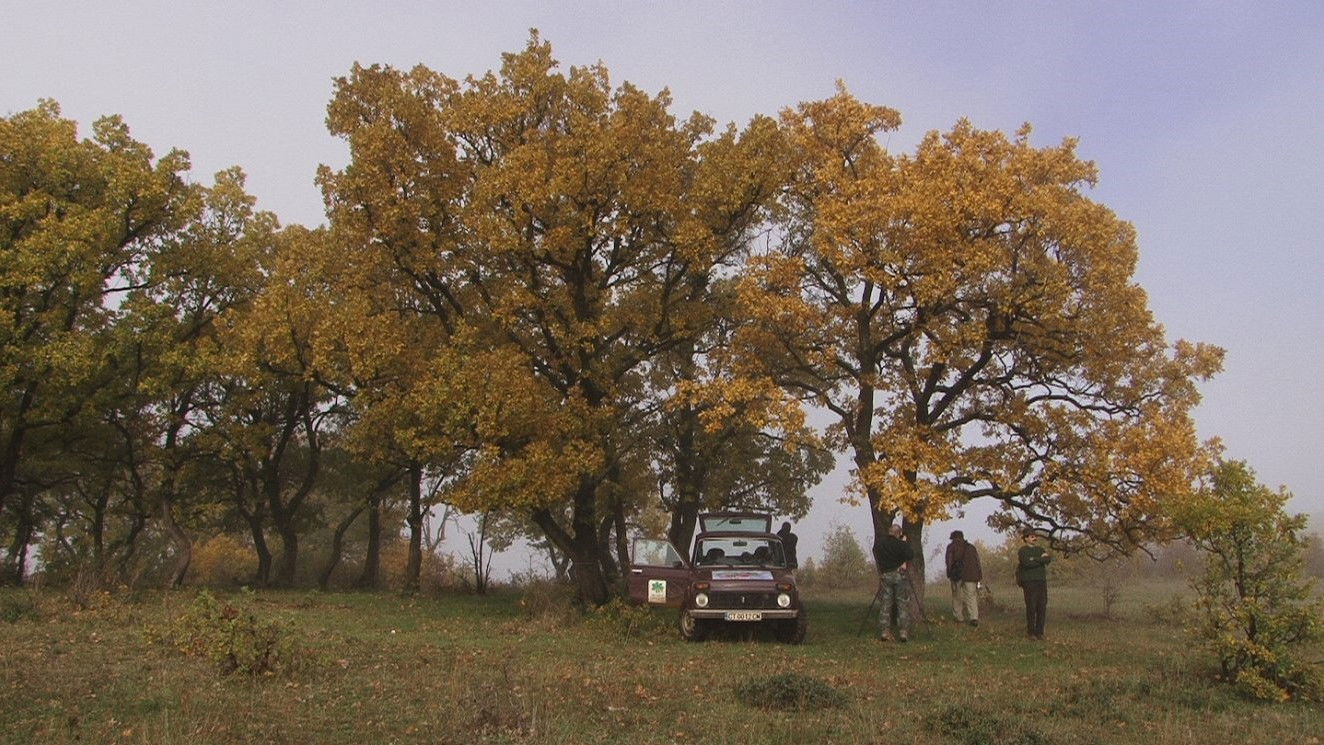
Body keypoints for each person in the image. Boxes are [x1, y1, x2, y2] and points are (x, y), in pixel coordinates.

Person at [872, 524, 915, 642]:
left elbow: (875, 551)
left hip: (885, 575)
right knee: (902, 602)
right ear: (898, 533)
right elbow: (910, 555)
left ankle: (884, 631)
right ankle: (903, 632)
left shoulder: (880, 544)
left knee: (886, 602)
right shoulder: (900, 544)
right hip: (898, 575)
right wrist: (904, 542)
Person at [1016, 530, 1054, 640]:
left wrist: (1035, 559)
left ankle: (1040, 632)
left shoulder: (1040, 549)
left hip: (1041, 581)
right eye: (1032, 536)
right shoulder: (1023, 551)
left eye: (1035, 536)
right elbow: (1026, 563)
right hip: (1029, 582)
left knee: (1042, 606)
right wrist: (1040, 560)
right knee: (1031, 607)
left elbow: (1047, 559)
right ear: (1026, 538)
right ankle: (1031, 632)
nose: (1034, 538)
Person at [945, 530, 982, 627]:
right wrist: (978, 576)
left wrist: (950, 574)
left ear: (953, 538)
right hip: (971, 575)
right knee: (971, 597)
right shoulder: (971, 547)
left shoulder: (951, 547)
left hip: (957, 575)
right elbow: (977, 562)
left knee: (957, 597)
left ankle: (959, 617)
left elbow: (949, 562)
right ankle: (974, 618)